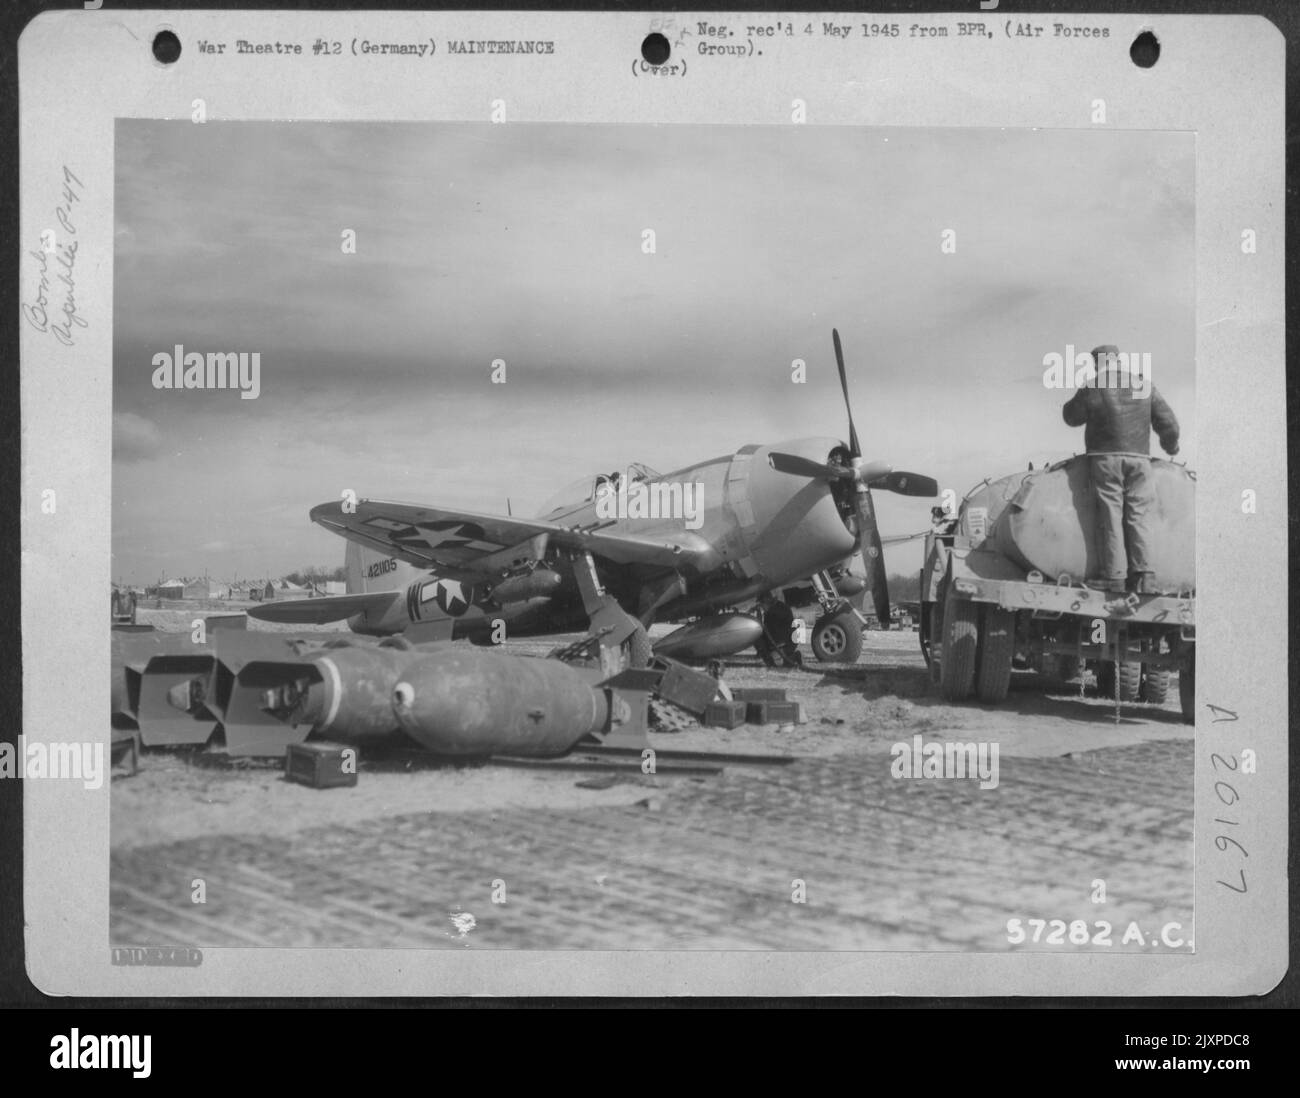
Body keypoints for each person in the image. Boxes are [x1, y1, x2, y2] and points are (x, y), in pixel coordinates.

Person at [1062, 344, 1180, 594]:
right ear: (1119, 361)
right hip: (1140, 459)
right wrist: (1170, 446)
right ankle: (1145, 577)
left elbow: (1071, 417)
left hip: (1105, 459)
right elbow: (1168, 423)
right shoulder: (1142, 385)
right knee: (1139, 514)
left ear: (1097, 364)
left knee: (1110, 515)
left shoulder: (1094, 385)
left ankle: (1114, 577)